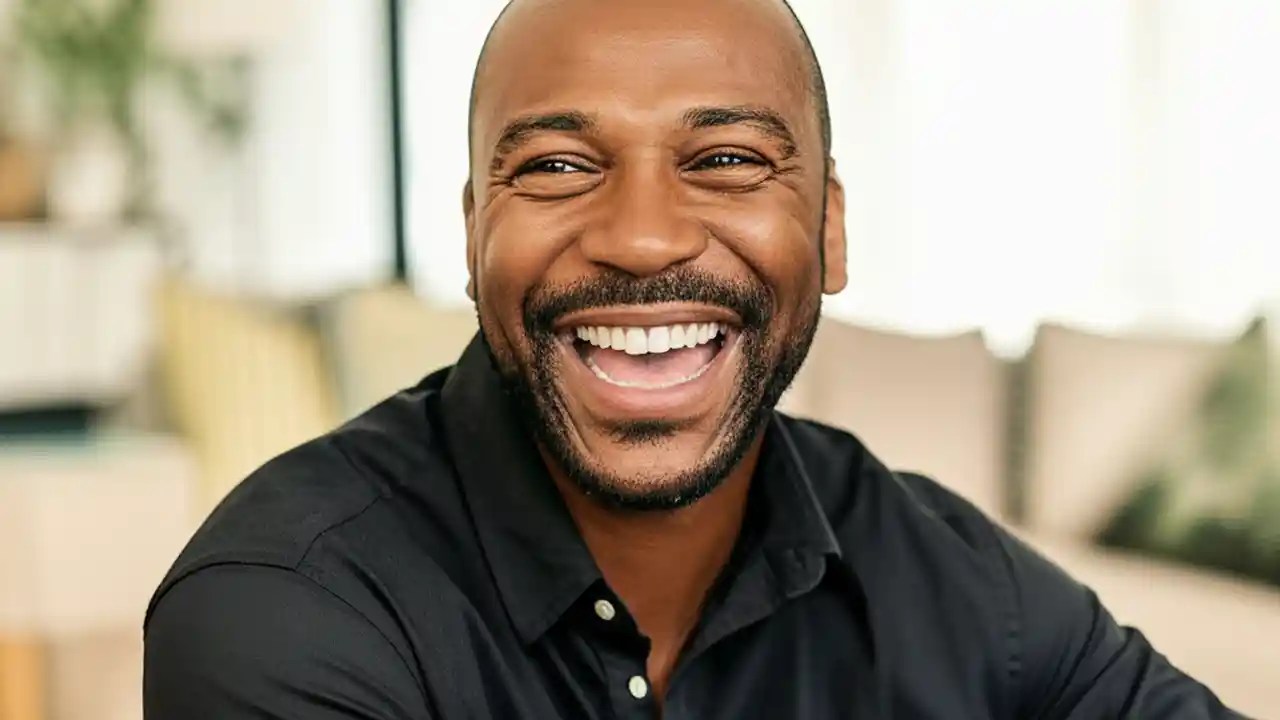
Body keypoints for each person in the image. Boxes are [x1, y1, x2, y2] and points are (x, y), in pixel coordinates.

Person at [143, 0, 1245, 717]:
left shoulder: (937, 576)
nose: (641, 235)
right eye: (560, 167)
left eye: (724, 159)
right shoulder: (286, 613)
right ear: (473, 240)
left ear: (829, 232)